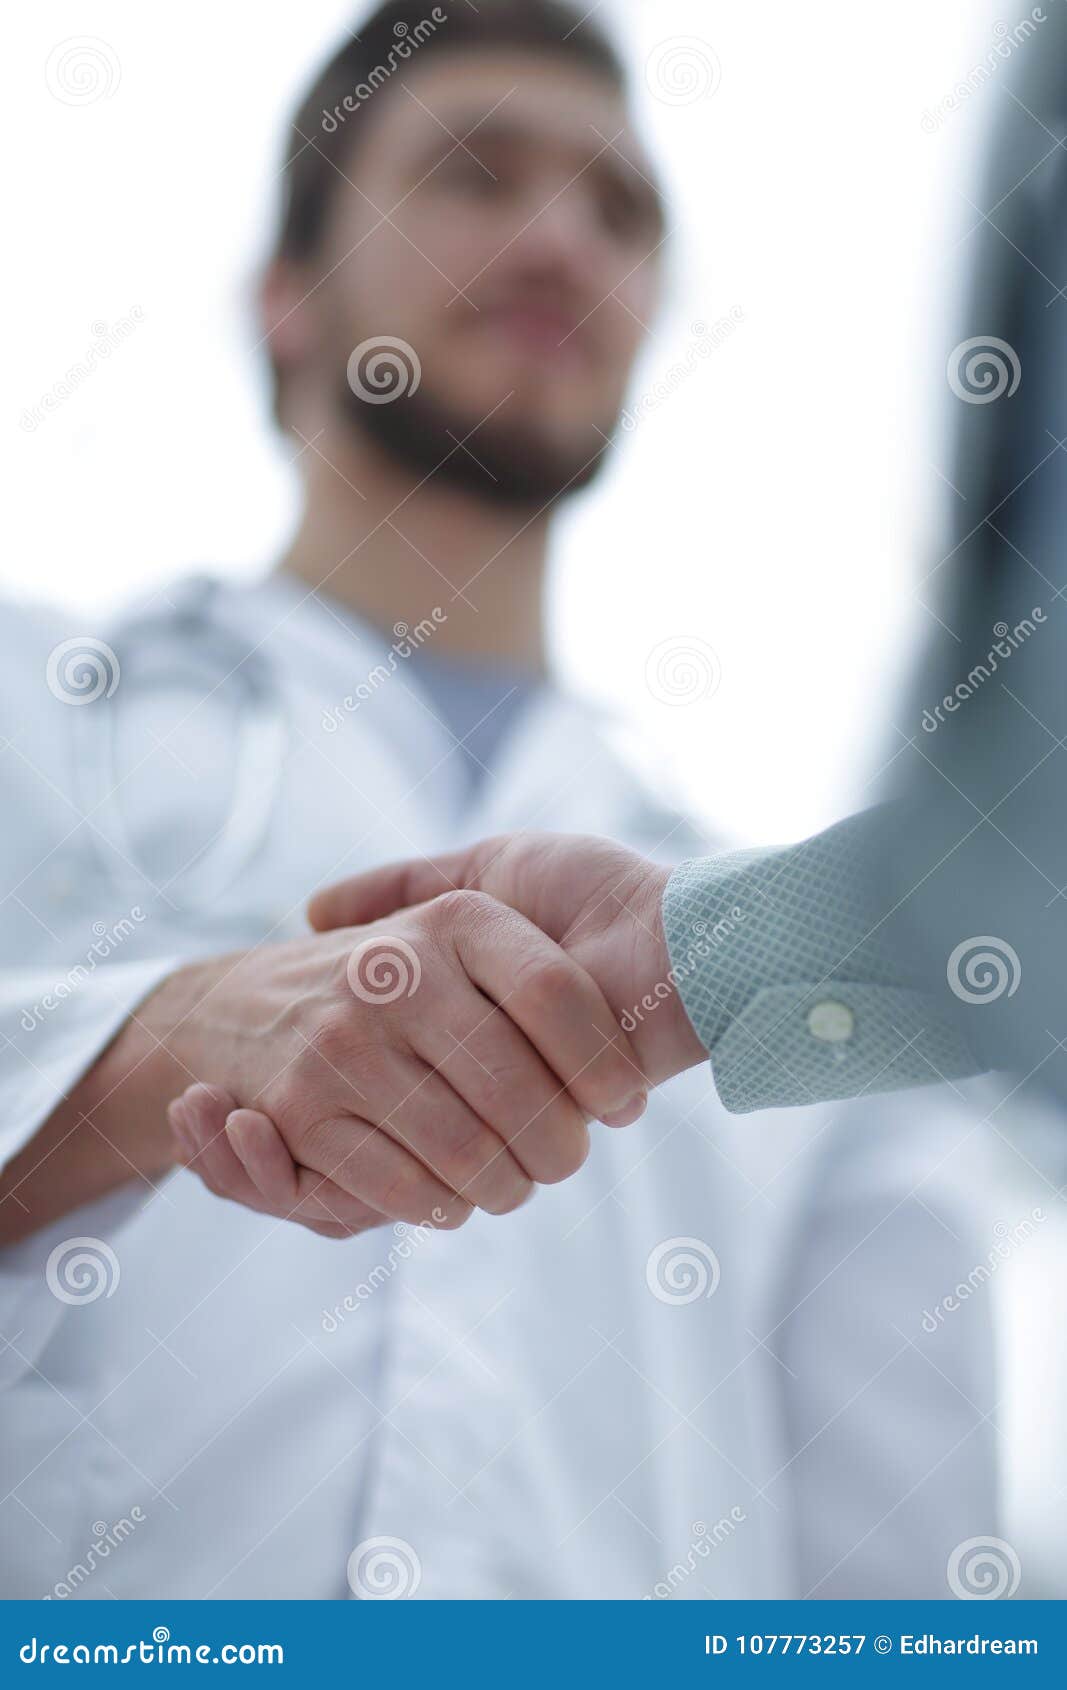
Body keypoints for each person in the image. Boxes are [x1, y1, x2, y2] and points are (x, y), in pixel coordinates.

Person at [0, 1, 996, 1601]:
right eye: (476, 173)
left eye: (622, 210)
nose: (560, 241)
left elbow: (904, 1578)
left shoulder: (804, 966)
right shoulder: (32, 715)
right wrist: (151, 1044)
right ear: (285, 297)